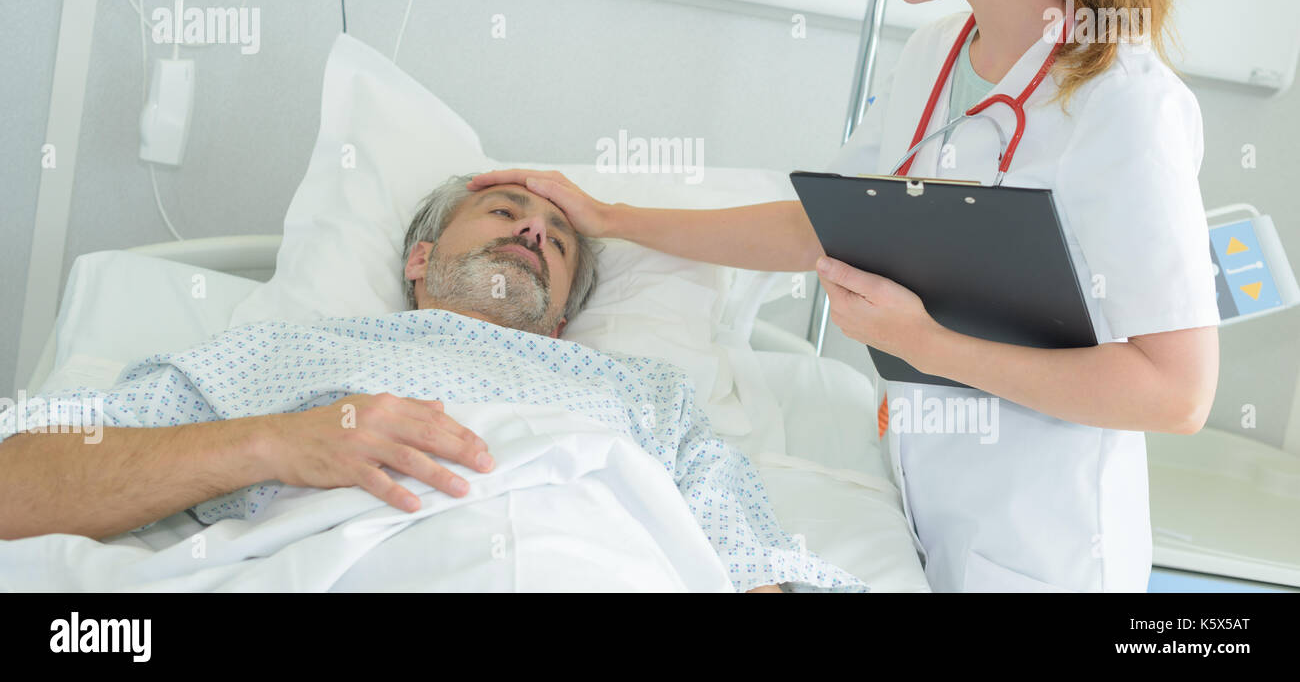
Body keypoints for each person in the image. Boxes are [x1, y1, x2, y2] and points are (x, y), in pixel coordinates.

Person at [467, 0, 1221, 592]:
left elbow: (1176, 393)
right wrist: (611, 216)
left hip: (1045, 547)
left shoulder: (1123, 101)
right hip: (921, 517)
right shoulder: (936, 56)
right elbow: (819, 225)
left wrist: (926, 345)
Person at [0, 177, 859, 591]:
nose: (533, 229)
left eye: (559, 240)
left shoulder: (646, 394)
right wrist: (277, 442)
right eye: (504, 211)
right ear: (420, 260)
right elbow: (19, 483)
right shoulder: (290, 353)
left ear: (561, 320)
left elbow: (754, 561)